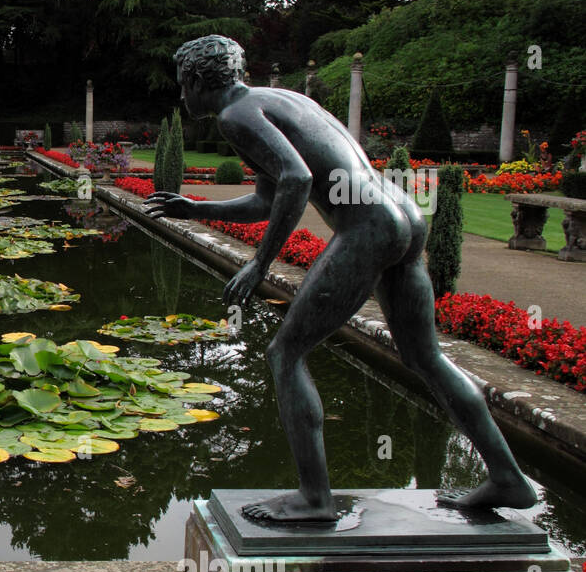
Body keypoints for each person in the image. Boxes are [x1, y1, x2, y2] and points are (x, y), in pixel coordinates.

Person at [145, 35, 536, 523]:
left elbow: (297, 180)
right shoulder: (277, 100)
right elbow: (267, 198)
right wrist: (196, 208)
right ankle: (507, 477)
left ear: (199, 80)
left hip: (369, 228)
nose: (182, 96)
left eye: (183, 85)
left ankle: (315, 498)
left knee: (285, 354)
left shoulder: (235, 116)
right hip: (403, 218)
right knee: (425, 358)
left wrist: (260, 263)